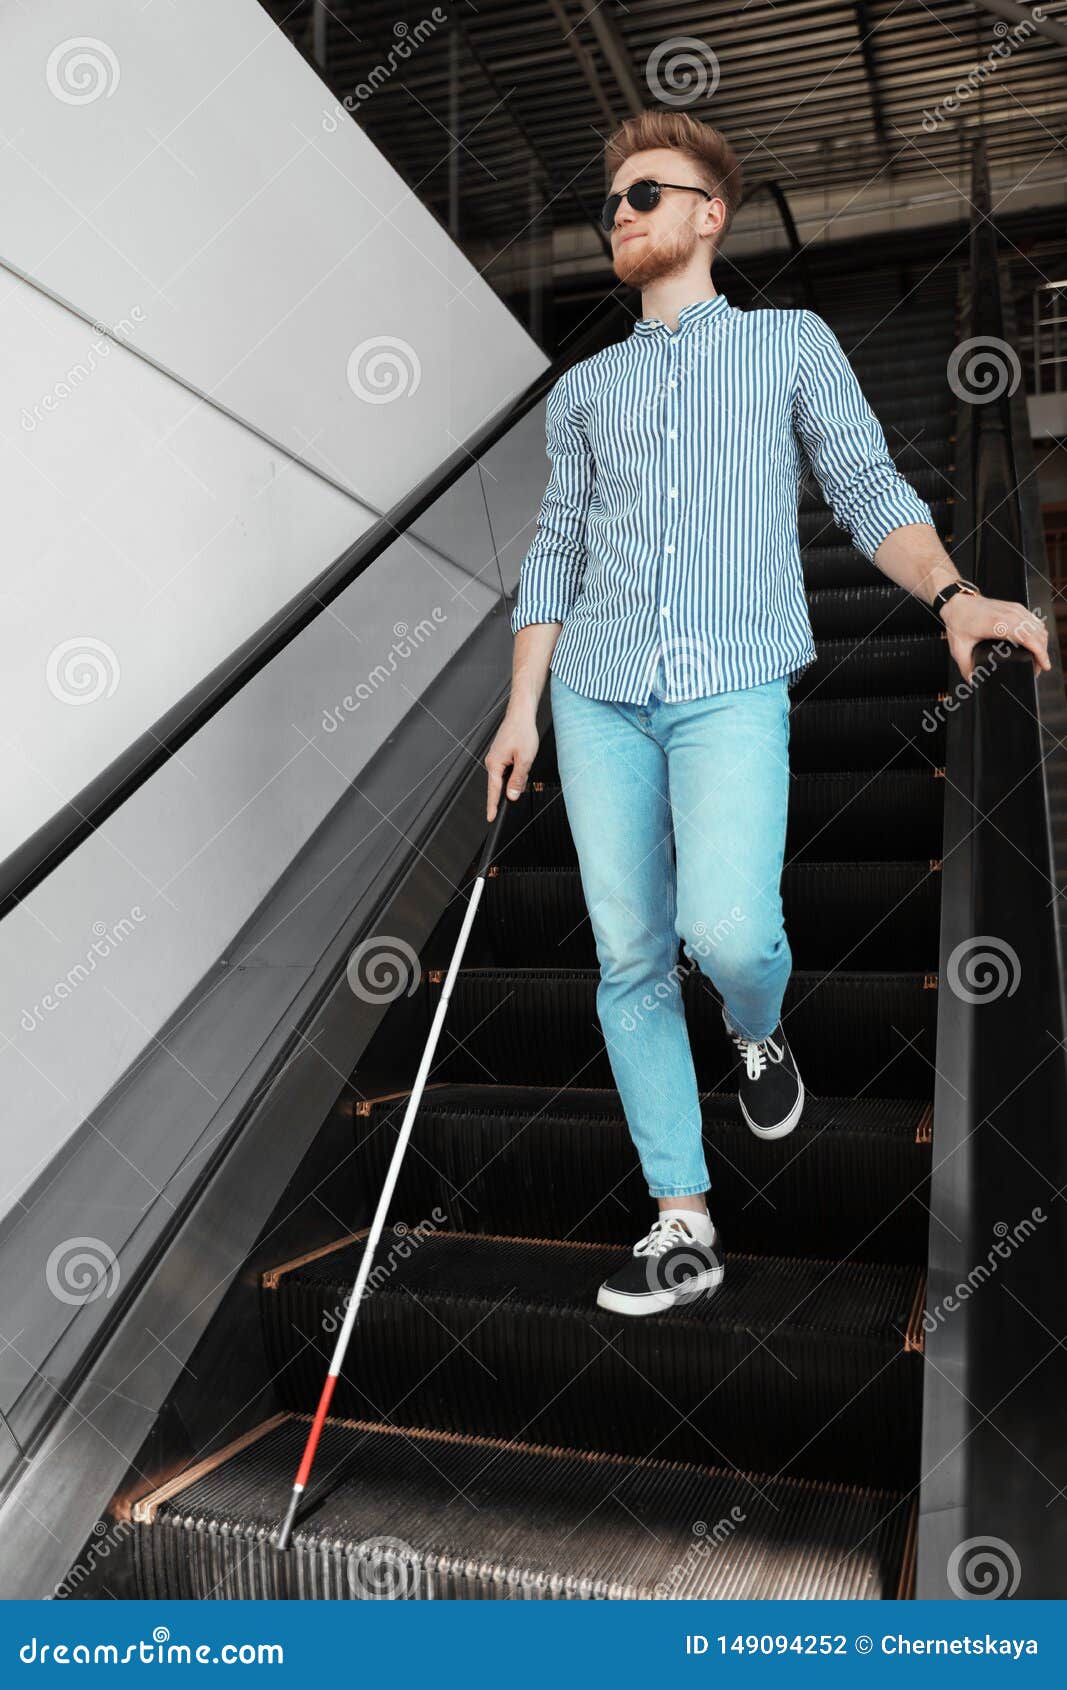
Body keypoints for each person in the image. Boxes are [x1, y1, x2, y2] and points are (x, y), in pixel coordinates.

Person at [485, 109, 1049, 1318]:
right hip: (594, 692)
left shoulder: (789, 344)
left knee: (728, 931)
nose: (623, 213)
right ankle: (679, 1218)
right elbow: (555, 552)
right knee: (628, 956)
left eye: (649, 194)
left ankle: (756, 1026)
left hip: (730, 680)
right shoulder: (582, 391)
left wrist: (954, 592)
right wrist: (521, 708)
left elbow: (858, 479)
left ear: (707, 214)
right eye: (614, 199)